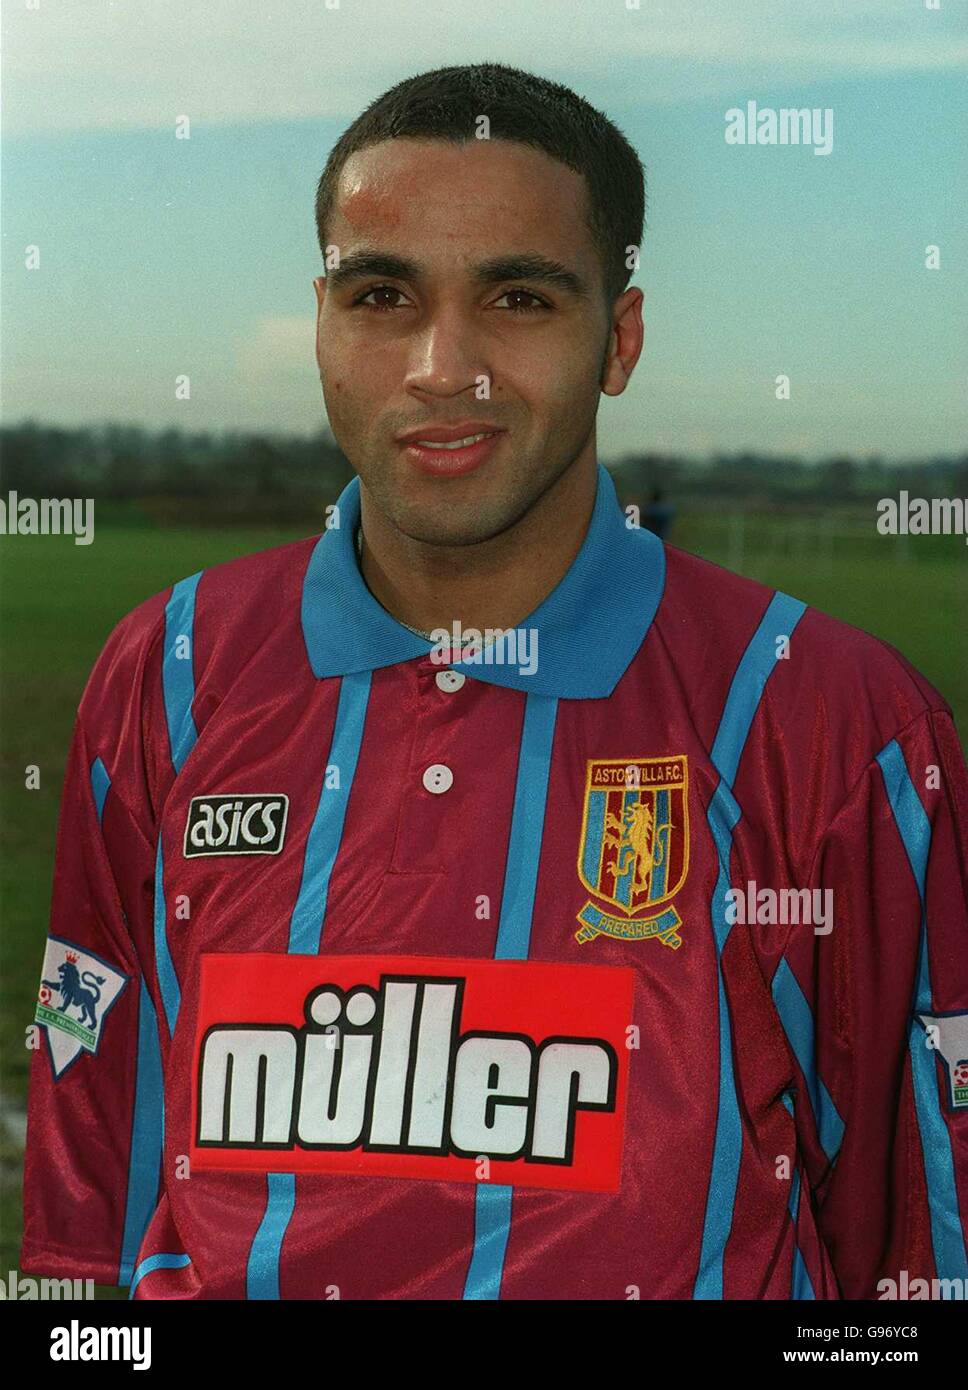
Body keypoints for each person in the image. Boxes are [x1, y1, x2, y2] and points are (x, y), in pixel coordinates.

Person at [20, 62, 968, 1301]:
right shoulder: (172, 671)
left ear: (617, 338)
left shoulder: (832, 719)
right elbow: (92, 1176)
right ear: (321, 323)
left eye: (517, 296)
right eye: (380, 294)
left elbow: (913, 1235)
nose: (441, 366)